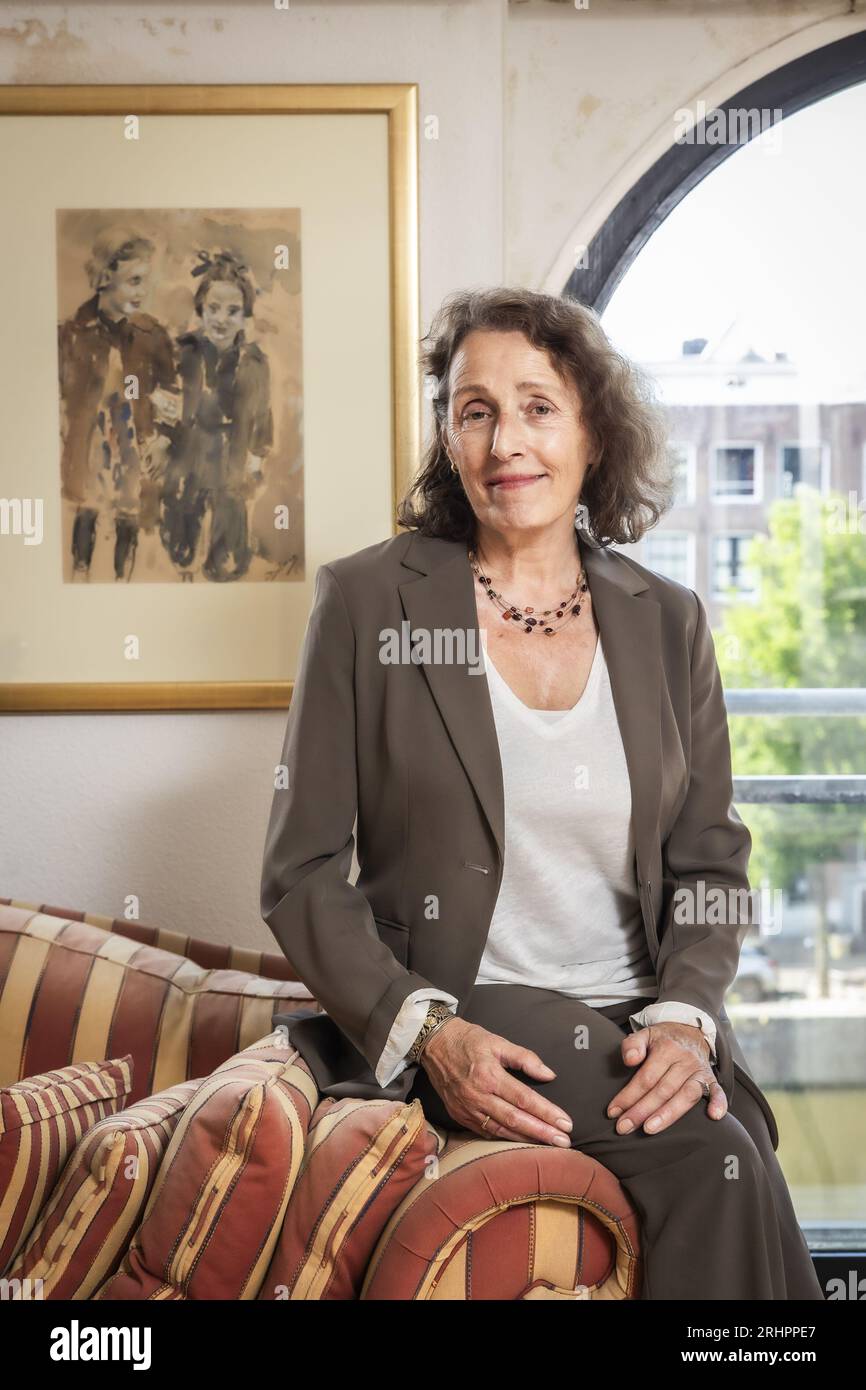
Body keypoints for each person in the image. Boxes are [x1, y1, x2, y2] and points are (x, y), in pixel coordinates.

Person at [260, 286, 824, 1300]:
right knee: (714, 1161)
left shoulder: (667, 621)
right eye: (473, 409)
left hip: (638, 1007)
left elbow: (707, 856)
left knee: (741, 1142)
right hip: (469, 996)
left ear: (592, 431)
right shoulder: (365, 602)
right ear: (447, 433)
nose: (502, 440)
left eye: (535, 406)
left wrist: (688, 1016)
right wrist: (426, 1030)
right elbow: (299, 870)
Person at [58, 228, 178, 580]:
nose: (142, 292)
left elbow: (171, 390)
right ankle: (80, 574)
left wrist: (163, 438)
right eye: (134, 281)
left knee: (129, 513)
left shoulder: (151, 335)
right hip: (90, 442)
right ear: (105, 277)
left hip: (132, 440)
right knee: (88, 509)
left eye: (145, 282)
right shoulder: (72, 334)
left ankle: (123, 580)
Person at [159, 249, 272, 582]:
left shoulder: (254, 361)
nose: (221, 319)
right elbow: (163, 397)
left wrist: (257, 458)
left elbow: (263, 415)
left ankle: (221, 567)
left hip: (231, 457)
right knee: (180, 542)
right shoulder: (184, 350)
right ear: (201, 309)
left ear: (244, 315)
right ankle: (183, 566)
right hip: (189, 453)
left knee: (228, 557)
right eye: (213, 309)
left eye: (232, 311)